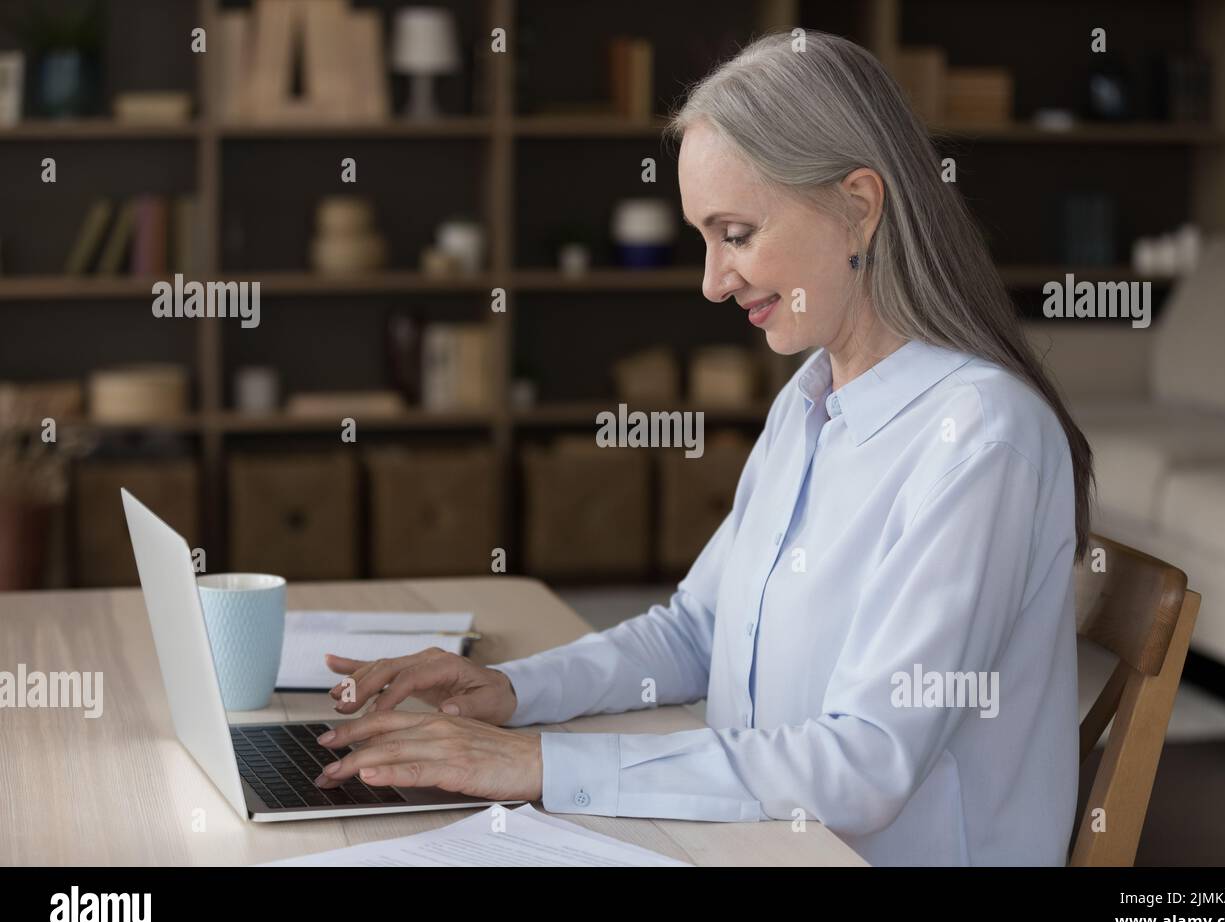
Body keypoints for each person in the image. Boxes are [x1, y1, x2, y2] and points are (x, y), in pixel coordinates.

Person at [311, 29, 1094, 866]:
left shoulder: (978, 436)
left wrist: (539, 763)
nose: (713, 281)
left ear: (858, 207)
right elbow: (696, 631)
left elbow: (867, 764)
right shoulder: (813, 399)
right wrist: (511, 693)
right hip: (751, 842)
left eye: (738, 233)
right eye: (706, 238)